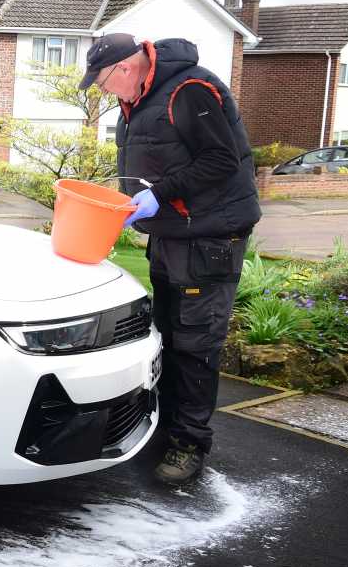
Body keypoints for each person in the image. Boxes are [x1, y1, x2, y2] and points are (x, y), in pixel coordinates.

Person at [80, 33, 260, 486]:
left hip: (209, 238)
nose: (104, 93)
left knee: (196, 345)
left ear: (124, 68)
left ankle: (189, 445)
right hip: (172, 234)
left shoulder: (190, 90)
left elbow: (221, 160)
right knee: (166, 334)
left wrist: (157, 196)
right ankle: (167, 428)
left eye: (103, 83)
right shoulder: (142, 98)